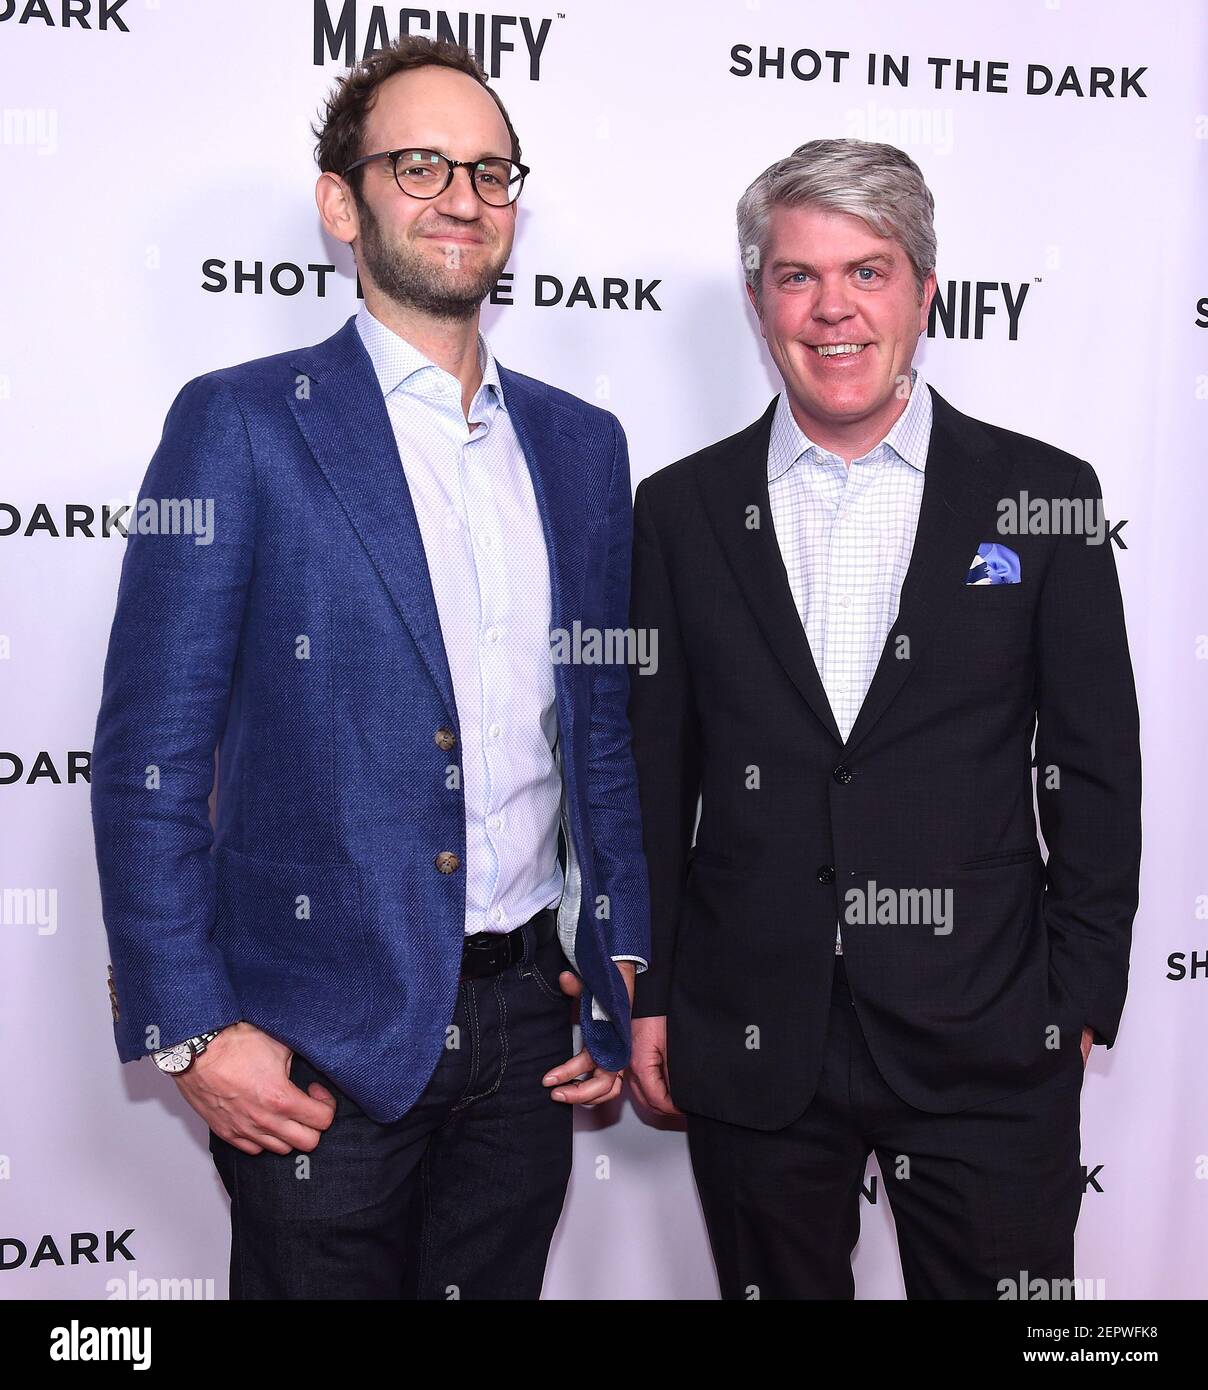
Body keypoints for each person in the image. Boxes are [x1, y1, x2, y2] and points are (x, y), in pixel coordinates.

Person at [91, 35, 649, 1301]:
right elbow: (149, 759)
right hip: (315, 1040)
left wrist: (619, 959)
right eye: (420, 164)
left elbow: (597, 729)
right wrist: (190, 1027)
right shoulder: (238, 423)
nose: (462, 195)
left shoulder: (581, 446)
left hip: (527, 1029)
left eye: (491, 170)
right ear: (343, 203)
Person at [626, 138, 1140, 1300]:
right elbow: (656, 775)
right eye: (797, 276)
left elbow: (1094, 766)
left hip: (988, 1034)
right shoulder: (679, 510)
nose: (831, 310)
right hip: (753, 1028)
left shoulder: (1043, 495)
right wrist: (649, 989)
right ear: (758, 299)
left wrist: (1075, 997)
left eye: (866, 271)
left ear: (922, 289)